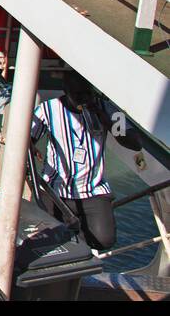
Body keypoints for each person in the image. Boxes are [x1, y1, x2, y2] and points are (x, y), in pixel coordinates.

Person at [31, 76, 145, 251]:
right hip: (55, 189)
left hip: (93, 190)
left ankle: (74, 242)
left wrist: (103, 116)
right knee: (47, 241)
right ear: (66, 91)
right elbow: (26, 138)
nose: (83, 98)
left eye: (87, 93)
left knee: (104, 240)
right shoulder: (48, 109)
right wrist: (31, 150)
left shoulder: (108, 109)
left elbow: (134, 143)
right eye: (77, 94)